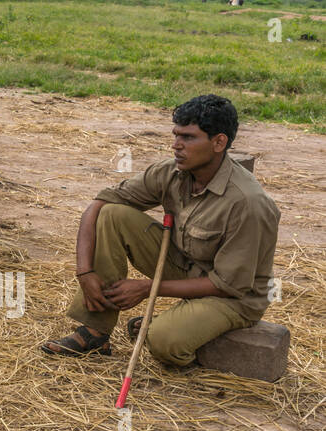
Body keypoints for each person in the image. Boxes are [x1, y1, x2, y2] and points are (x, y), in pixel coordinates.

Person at [41, 95, 279, 364]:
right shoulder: (173, 172)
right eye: (176, 135)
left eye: (188, 138)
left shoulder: (248, 203)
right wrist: (84, 271)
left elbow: (227, 285)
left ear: (219, 142)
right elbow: (98, 204)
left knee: (164, 343)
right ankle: (95, 333)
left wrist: (147, 288)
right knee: (111, 214)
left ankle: (165, 326)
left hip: (233, 296)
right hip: (187, 267)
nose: (176, 146)